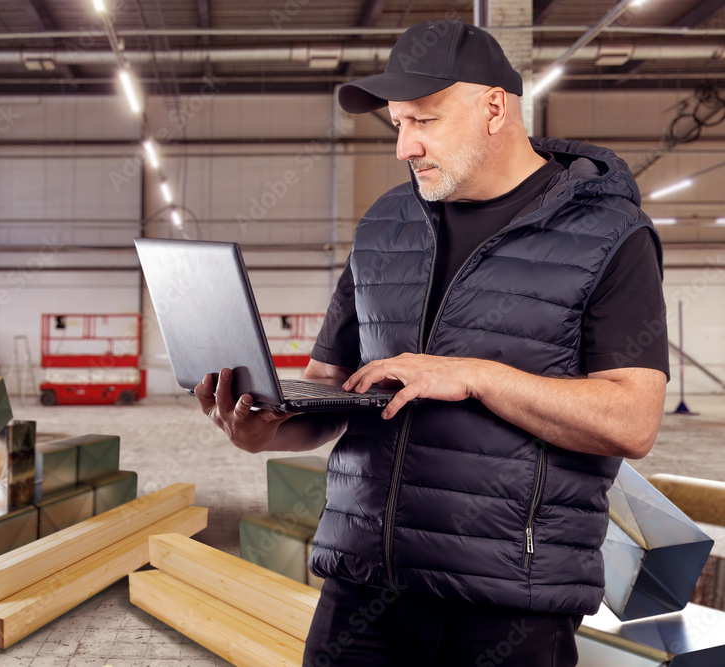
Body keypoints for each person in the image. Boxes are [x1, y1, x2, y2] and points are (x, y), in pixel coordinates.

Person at [195, 19, 670, 667]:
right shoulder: (384, 224)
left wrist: (476, 375)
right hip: (361, 583)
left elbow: (633, 419)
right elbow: (333, 387)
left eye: (424, 120)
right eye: (398, 124)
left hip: (508, 602)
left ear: (494, 108)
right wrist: (264, 431)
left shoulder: (610, 235)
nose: (404, 146)